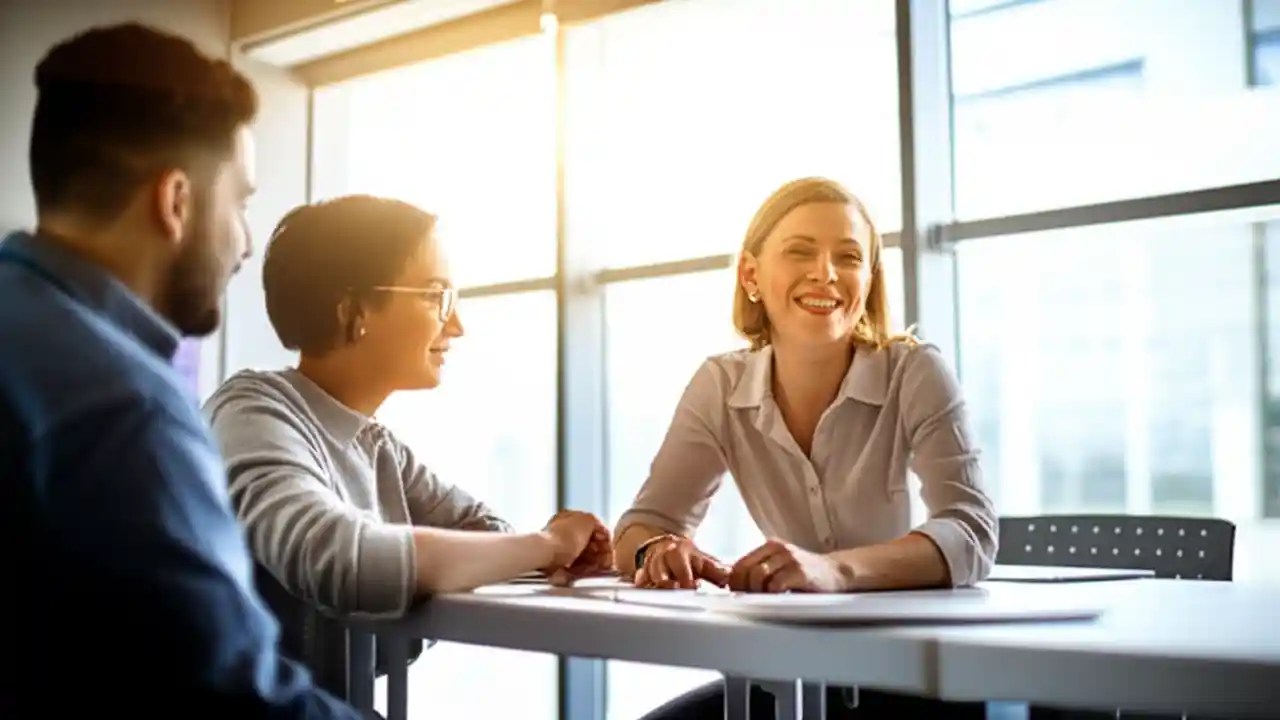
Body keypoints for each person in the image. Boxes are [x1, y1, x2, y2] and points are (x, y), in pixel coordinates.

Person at [0, 23, 357, 718]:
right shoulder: (118, 405)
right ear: (177, 201)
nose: (246, 244)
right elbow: (235, 700)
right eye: (242, 202)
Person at [613, 177, 998, 719]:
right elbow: (641, 525)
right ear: (751, 274)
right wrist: (657, 550)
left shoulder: (915, 371)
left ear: (868, 279)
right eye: (800, 252)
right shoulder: (720, 386)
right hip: (792, 675)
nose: (826, 273)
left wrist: (833, 571)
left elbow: (972, 530)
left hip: (917, 681)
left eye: (848, 257)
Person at [202, 194, 613, 694]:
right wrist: (546, 546)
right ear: (353, 309)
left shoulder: (377, 447)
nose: (456, 325)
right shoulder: (251, 411)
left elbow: (486, 535)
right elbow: (344, 562)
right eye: (434, 295)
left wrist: (545, 552)